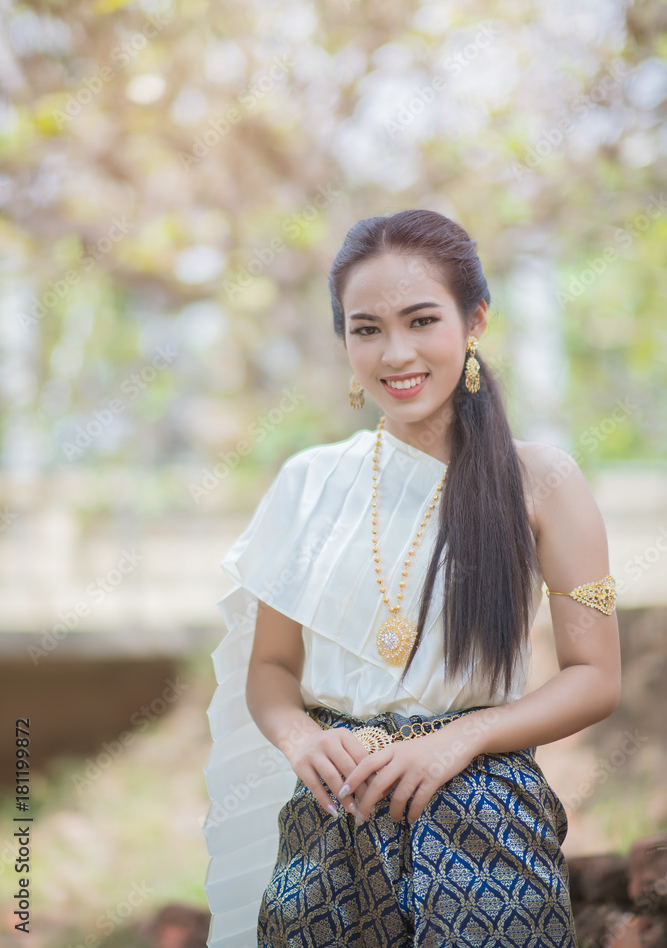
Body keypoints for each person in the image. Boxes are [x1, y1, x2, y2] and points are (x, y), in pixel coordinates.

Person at [203, 209, 621, 948]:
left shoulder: (543, 481)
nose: (396, 353)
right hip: (332, 828)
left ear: (474, 320)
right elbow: (270, 668)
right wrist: (301, 740)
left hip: (486, 830)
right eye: (366, 329)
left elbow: (594, 676)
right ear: (344, 342)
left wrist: (459, 738)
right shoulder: (308, 484)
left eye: (421, 320)